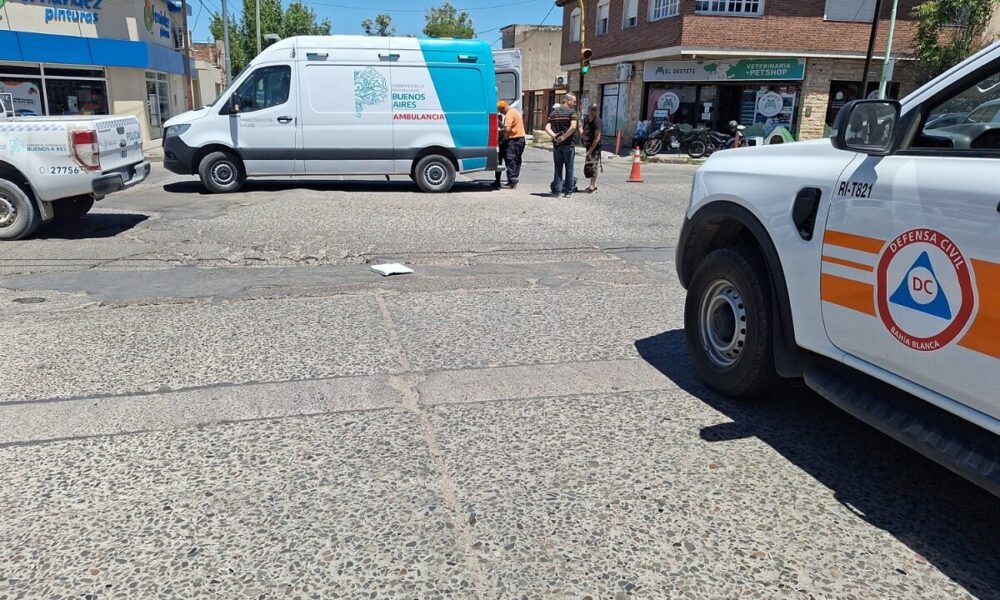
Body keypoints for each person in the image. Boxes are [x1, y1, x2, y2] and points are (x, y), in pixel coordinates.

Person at [544, 93, 578, 198]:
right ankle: (568, 191)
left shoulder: (553, 113)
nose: (575, 103)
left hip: (557, 145)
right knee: (569, 168)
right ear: (568, 100)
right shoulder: (572, 112)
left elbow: (547, 127)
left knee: (558, 168)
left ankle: (557, 191)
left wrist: (555, 136)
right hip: (568, 144)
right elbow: (573, 127)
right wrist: (564, 137)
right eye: (574, 101)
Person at [498, 100, 526, 189]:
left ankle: (512, 181)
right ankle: (514, 179)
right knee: (517, 160)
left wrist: (499, 131)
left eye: (500, 110)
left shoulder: (509, 114)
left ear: (504, 107)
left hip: (514, 140)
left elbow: (507, 129)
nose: (500, 112)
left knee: (510, 159)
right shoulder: (515, 112)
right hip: (520, 139)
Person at [582, 103, 603, 193]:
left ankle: (592, 185)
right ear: (588, 110)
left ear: (597, 111)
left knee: (593, 165)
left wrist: (590, 150)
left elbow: (597, 138)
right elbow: (582, 128)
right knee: (588, 166)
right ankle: (593, 184)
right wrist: (583, 136)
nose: (593, 111)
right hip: (588, 145)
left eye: (595, 110)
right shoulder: (586, 119)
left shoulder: (598, 122)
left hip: (595, 147)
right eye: (591, 109)